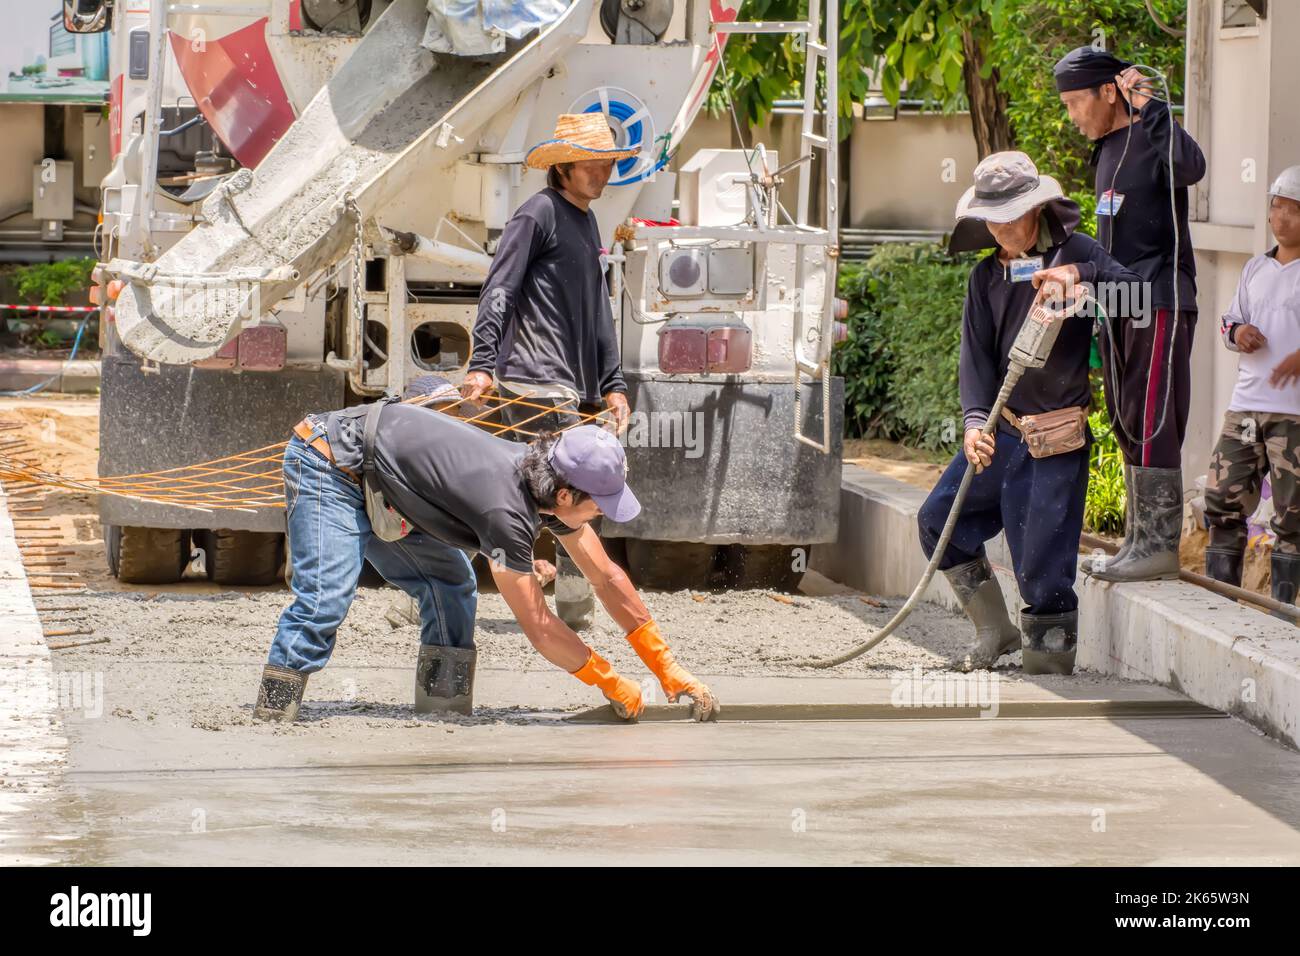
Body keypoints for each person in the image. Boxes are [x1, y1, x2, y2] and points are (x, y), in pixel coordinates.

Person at [253, 399, 718, 723]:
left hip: (385, 478)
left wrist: (665, 665)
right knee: (326, 598)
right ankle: (274, 712)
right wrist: (609, 680)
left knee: (451, 584)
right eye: (599, 504)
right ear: (564, 494)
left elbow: (605, 575)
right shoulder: (507, 512)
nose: (602, 513)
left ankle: (441, 710)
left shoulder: (546, 483)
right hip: (331, 461)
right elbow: (537, 625)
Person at [918, 152, 1141, 675]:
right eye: (991, 219)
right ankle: (995, 631)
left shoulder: (1079, 251)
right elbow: (974, 361)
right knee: (939, 523)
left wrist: (1082, 277)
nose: (1000, 229)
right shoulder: (984, 280)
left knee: (1040, 566)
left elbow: (1140, 300)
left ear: (1038, 208)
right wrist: (975, 423)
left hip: (1056, 440)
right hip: (1003, 432)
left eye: (1011, 216)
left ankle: (1049, 670)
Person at [462, 112, 636, 630]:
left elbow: (598, 309)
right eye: (593, 163)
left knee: (562, 495)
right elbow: (500, 288)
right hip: (535, 378)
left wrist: (613, 384)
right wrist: (483, 364)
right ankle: (574, 609)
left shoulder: (585, 220)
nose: (603, 172)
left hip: (573, 384)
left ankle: (575, 607)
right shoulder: (537, 213)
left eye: (608, 163)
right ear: (562, 167)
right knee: (562, 496)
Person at [1055, 46, 1207, 582]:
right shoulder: (1106, 150)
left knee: (1153, 414)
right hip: (1120, 299)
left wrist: (1151, 105)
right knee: (1124, 416)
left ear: (1108, 91)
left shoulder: (1152, 131)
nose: (1072, 115)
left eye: (1076, 102)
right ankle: (1139, 540)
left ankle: (1161, 546)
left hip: (1160, 294)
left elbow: (1193, 167)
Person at [1204, 166, 1300, 615]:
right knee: (1223, 502)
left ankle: (1285, 616)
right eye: (1276, 206)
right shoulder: (1254, 268)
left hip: (1293, 415)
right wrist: (1239, 331)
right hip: (1244, 409)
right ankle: (1220, 608)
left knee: (1293, 518)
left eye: (1293, 210)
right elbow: (1226, 322)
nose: (1280, 218)